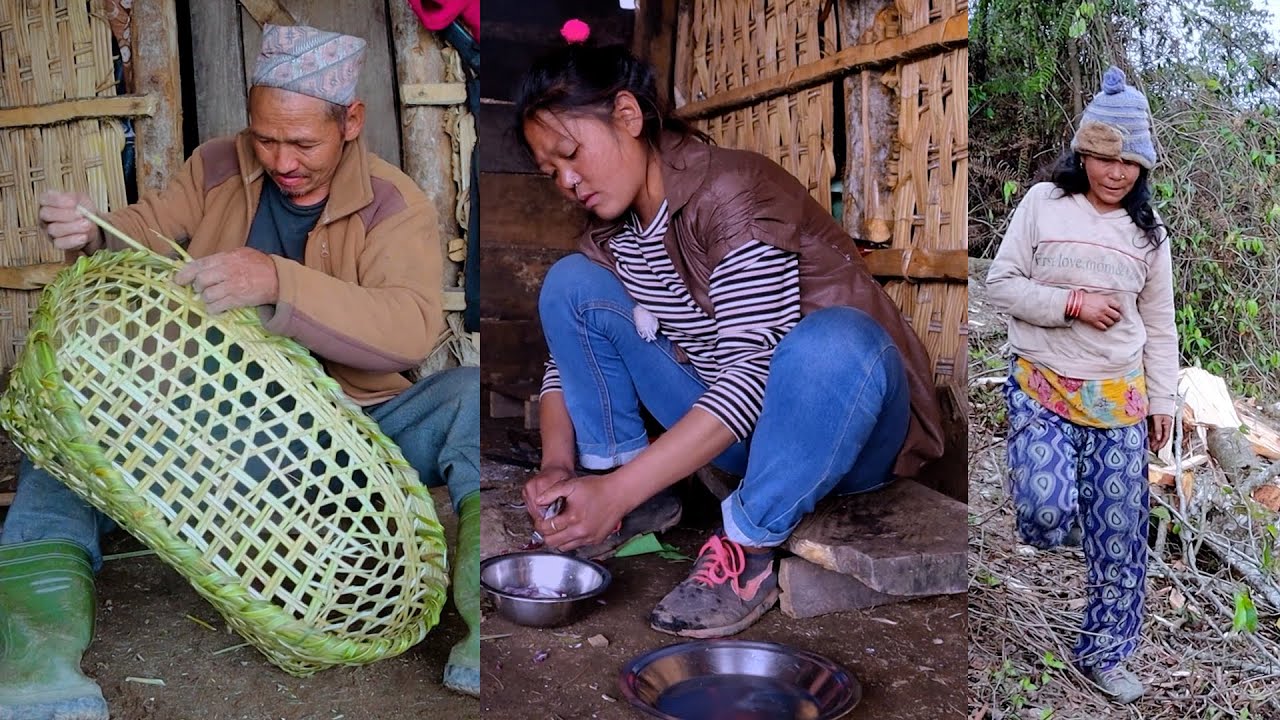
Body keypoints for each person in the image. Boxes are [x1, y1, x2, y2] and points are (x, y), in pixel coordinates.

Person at [0, 24, 480, 717]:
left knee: (464, 397)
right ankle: (36, 667)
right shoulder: (219, 165)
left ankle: (480, 633)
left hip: (347, 439)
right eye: (266, 138)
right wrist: (94, 230)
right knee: (61, 425)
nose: (281, 160)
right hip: (210, 433)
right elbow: (142, 231)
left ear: (351, 121)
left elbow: (408, 331)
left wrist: (276, 281)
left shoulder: (394, 205)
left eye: (303, 143)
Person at [515, 23, 944, 639]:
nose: (566, 180)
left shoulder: (732, 193)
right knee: (569, 285)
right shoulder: (612, 237)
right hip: (742, 436)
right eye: (548, 169)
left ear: (628, 115)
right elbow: (566, 362)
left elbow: (751, 372)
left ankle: (747, 545)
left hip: (841, 426)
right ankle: (632, 497)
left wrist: (612, 491)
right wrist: (562, 467)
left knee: (834, 340)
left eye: (571, 153)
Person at [986, 66, 1177, 705]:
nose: (1115, 173)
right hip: (1041, 384)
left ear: (1143, 168)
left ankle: (1106, 652)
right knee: (1043, 511)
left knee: (1122, 533)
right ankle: (1069, 519)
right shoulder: (1043, 204)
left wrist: (1165, 401)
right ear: (1083, 154)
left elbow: (1160, 326)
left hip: (1119, 395)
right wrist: (1071, 303)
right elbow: (1002, 284)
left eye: (1129, 164)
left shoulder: (1149, 236)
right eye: (1103, 158)